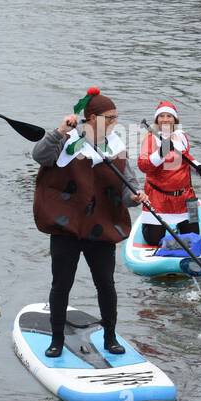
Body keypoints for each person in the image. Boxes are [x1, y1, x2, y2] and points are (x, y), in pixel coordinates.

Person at [32, 87, 146, 358]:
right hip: (67, 228)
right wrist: (59, 131)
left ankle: (110, 337)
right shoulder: (66, 140)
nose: (115, 121)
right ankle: (56, 340)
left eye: (117, 117)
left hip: (100, 227)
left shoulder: (116, 146)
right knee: (61, 285)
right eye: (110, 117)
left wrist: (136, 197)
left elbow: (127, 190)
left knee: (106, 284)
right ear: (92, 118)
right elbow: (39, 155)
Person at [137, 100, 201, 247]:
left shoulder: (181, 136)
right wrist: (162, 151)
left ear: (175, 120)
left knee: (194, 237)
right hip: (158, 198)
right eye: (162, 116)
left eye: (169, 116)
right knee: (153, 240)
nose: (165, 119)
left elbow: (187, 158)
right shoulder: (150, 139)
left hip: (186, 197)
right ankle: (148, 225)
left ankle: (176, 226)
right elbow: (143, 166)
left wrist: (199, 167)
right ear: (157, 120)